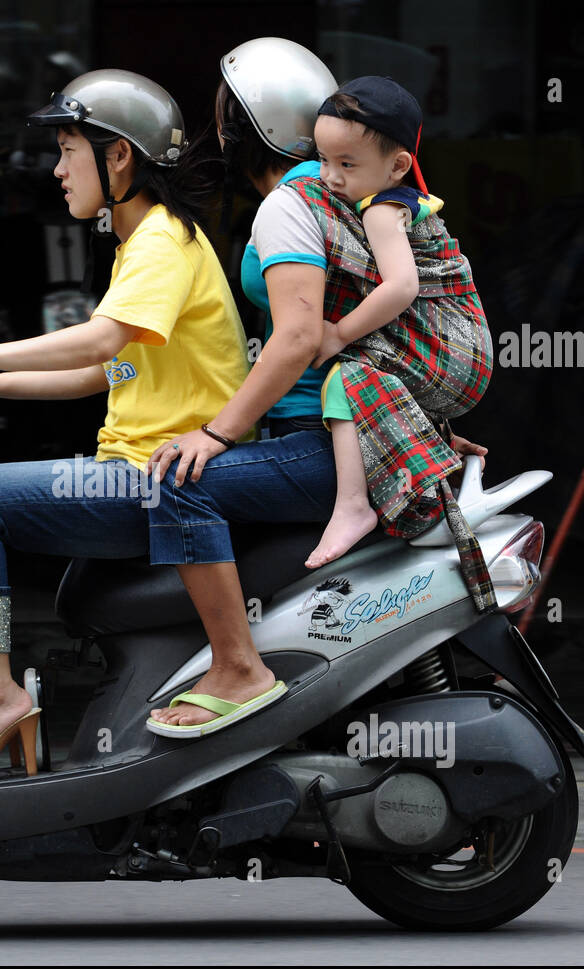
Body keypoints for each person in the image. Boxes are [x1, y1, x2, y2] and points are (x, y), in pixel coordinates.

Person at [0, 69, 255, 782]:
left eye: (69, 150)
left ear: (118, 156)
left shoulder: (160, 243)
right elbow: (105, 374)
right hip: (140, 470)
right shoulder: (147, 243)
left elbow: (96, 343)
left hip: (154, 479)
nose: (58, 171)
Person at [144, 39, 490, 737]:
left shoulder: (297, 202)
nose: (215, 137)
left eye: (225, 121)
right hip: (329, 424)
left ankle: (236, 666)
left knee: (177, 484)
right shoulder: (339, 194)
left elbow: (308, 337)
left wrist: (216, 433)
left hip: (310, 435)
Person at [305, 76, 492, 568]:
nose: (330, 177)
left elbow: (403, 287)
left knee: (347, 377)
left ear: (397, 165)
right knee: (367, 374)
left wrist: (339, 333)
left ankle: (352, 506)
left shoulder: (383, 211)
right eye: (323, 160)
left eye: (347, 164)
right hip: (464, 353)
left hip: (452, 353)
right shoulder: (397, 199)